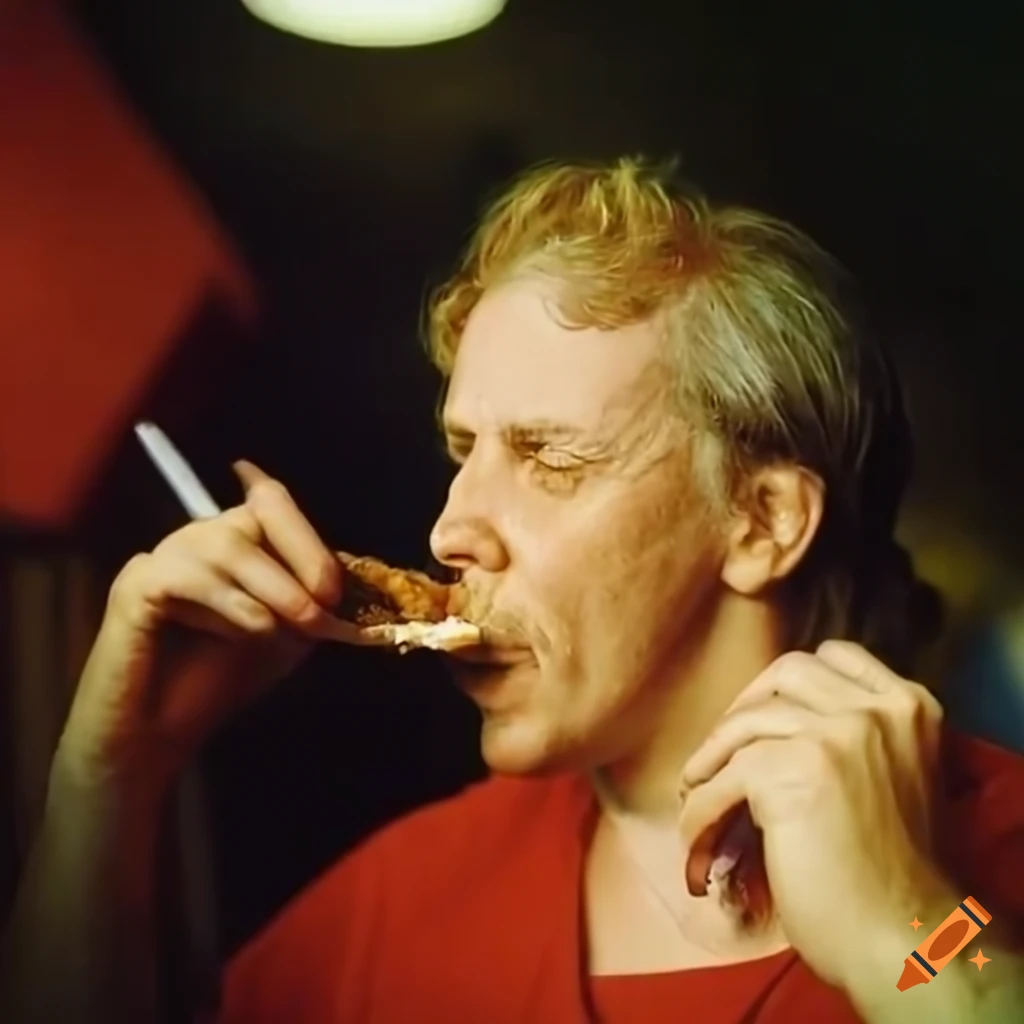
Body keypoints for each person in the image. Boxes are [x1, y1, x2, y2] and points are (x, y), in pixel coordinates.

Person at [2, 157, 1023, 1024]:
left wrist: (908, 925)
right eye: (462, 452)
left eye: (547, 457)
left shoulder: (991, 849)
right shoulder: (401, 902)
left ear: (760, 522)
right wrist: (110, 780)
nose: (449, 530)